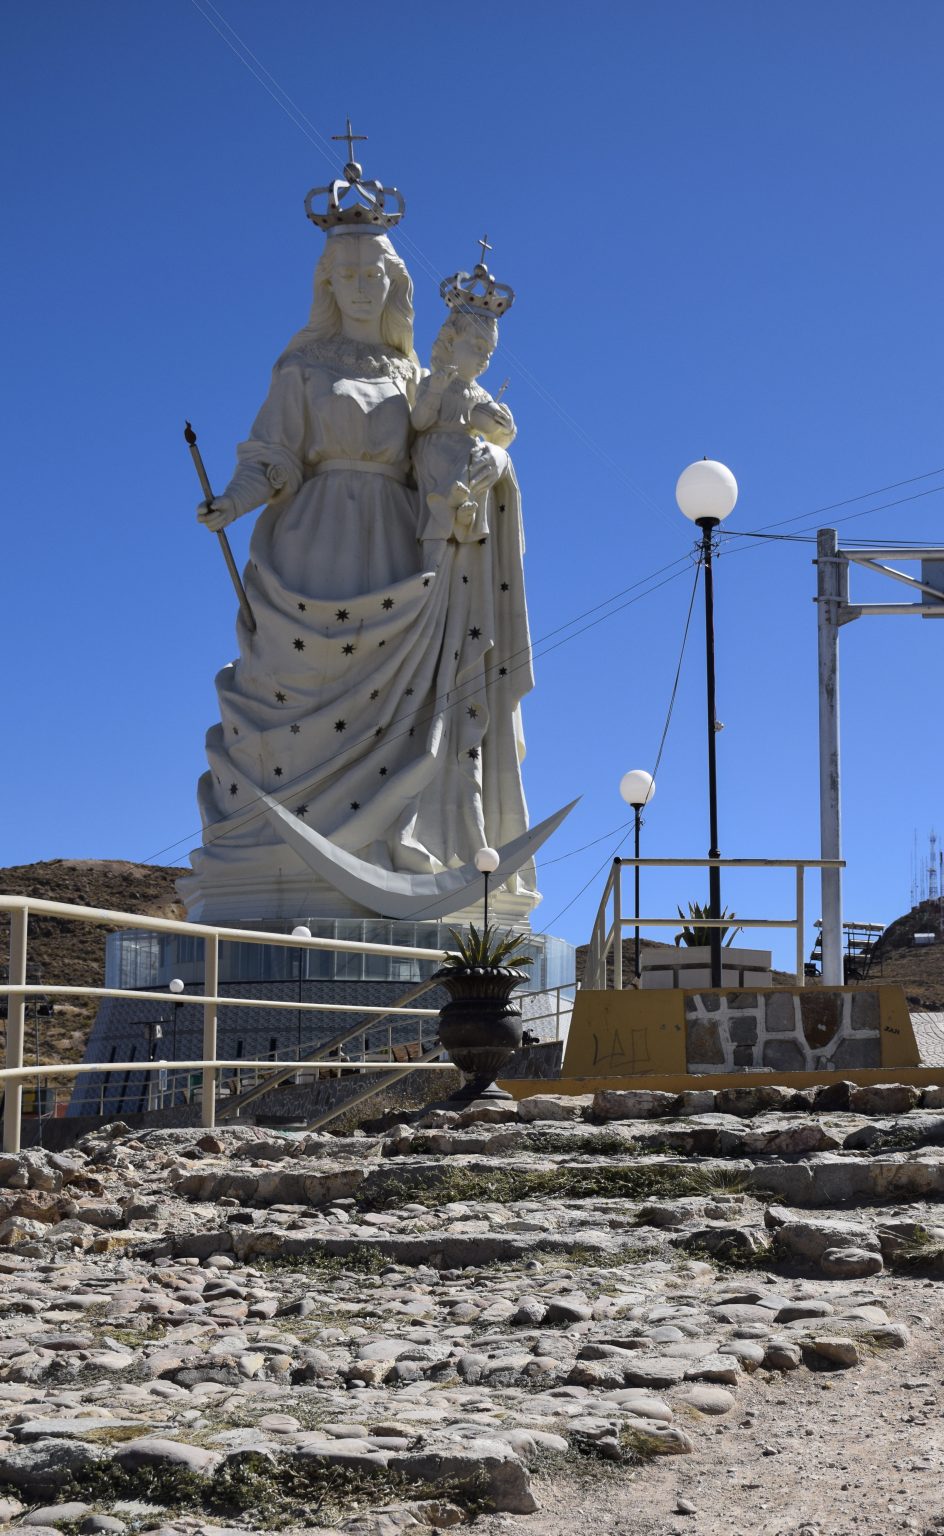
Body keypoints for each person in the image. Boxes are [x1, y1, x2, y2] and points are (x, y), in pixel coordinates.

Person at [179, 195, 535, 926]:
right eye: (347, 275)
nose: (362, 286)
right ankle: (277, 862)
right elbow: (272, 455)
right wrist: (232, 501)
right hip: (311, 547)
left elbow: (456, 442)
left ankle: (403, 840)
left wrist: (487, 466)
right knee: (293, 687)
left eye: (374, 273)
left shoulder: (416, 376)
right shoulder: (301, 367)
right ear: (328, 286)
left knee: (408, 704)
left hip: (400, 551)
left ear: (394, 282)